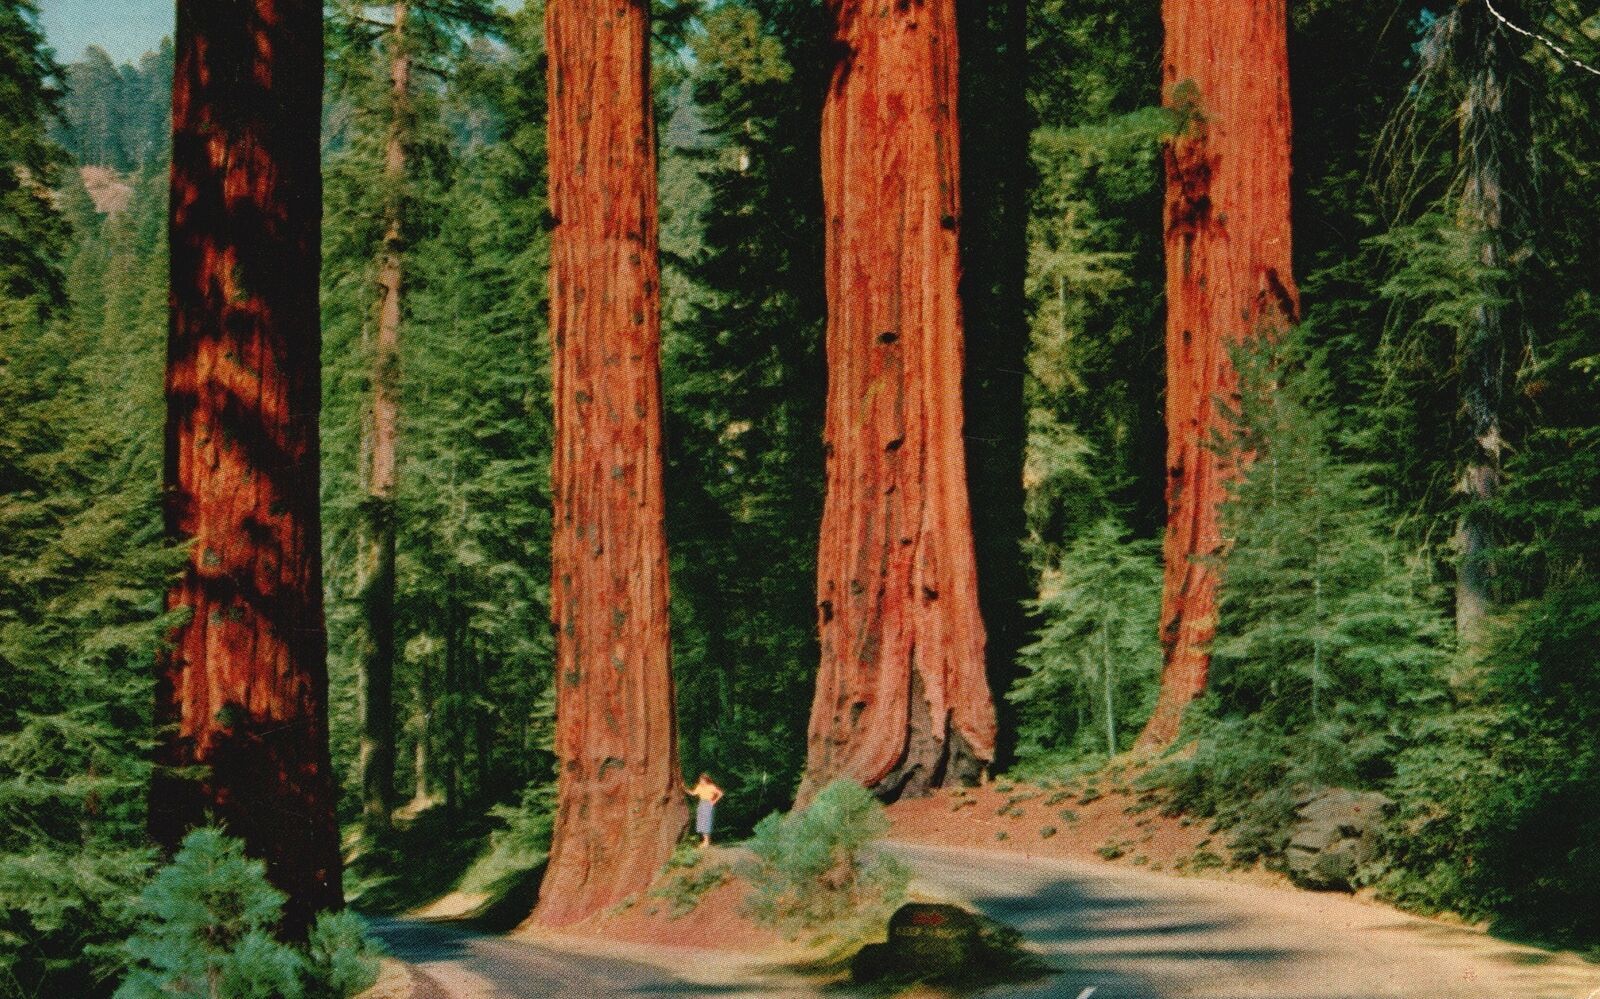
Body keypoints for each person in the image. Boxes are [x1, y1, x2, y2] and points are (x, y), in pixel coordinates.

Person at [685, 773, 723, 848]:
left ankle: (706, 842)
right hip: (701, 804)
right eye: (700, 780)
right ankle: (705, 841)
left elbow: (720, 794)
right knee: (701, 822)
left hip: (708, 804)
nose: (701, 781)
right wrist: (684, 789)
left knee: (707, 821)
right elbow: (693, 794)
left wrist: (713, 801)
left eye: (702, 780)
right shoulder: (699, 787)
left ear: (706, 780)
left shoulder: (711, 787)